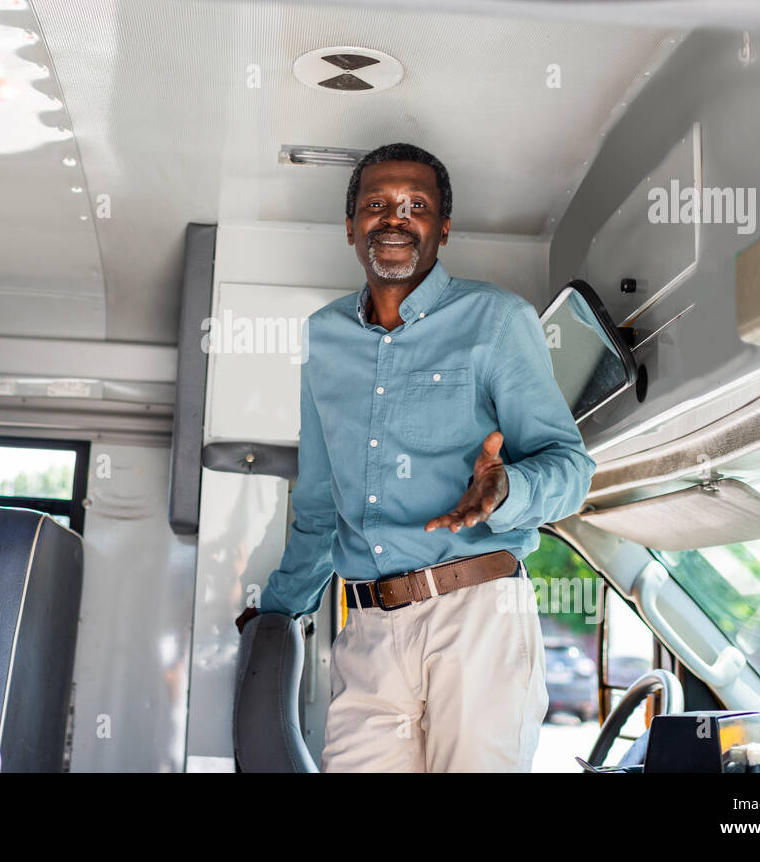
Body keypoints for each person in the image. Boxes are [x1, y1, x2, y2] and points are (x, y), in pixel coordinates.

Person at [234, 142, 596, 772]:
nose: (394, 218)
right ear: (351, 227)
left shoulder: (498, 320)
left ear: (443, 229)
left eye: (416, 205)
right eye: (376, 204)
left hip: (478, 615)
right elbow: (320, 505)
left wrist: (506, 490)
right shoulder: (325, 336)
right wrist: (277, 613)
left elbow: (572, 470)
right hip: (370, 628)